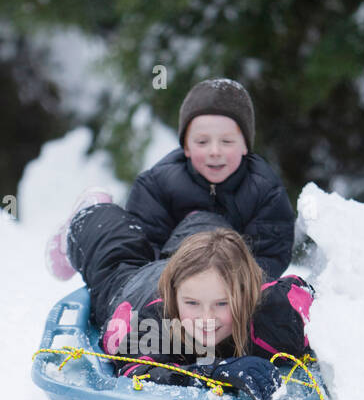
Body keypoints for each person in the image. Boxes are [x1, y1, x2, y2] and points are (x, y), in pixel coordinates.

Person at [62, 196, 315, 400]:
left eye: (222, 304)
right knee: (112, 241)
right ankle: (90, 209)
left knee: (211, 228)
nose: (206, 318)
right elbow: (138, 373)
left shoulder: (276, 314)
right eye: (193, 304)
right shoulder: (151, 323)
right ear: (173, 298)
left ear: (247, 297)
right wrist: (216, 371)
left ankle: (194, 214)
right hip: (133, 281)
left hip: (199, 271)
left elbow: (319, 308)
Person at [124, 77, 296, 280]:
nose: (215, 151)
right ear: (186, 147)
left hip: (235, 289)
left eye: (226, 141)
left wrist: (237, 282)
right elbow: (142, 248)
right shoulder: (156, 187)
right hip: (169, 285)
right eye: (202, 142)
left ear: (245, 147)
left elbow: (272, 253)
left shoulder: (264, 189)